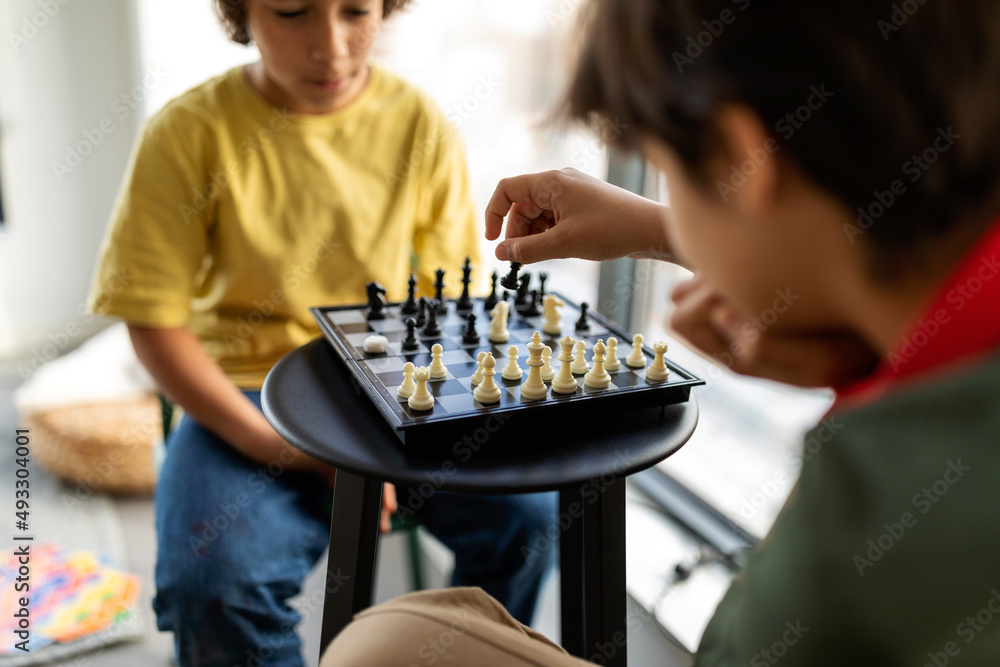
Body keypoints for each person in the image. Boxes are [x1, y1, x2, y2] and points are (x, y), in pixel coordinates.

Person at [318, 0, 1000, 664]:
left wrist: (855, 393)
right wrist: (863, 352)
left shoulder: (853, 519)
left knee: (385, 647)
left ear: (743, 160)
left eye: (668, 170)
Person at [86, 1, 555, 665]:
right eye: (291, 12)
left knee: (531, 522)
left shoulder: (417, 123)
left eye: (355, 11)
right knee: (213, 583)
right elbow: (153, 324)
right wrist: (293, 449)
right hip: (244, 394)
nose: (331, 48)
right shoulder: (188, 132)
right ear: (241, 13)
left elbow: (454, 299)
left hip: (394, 388)